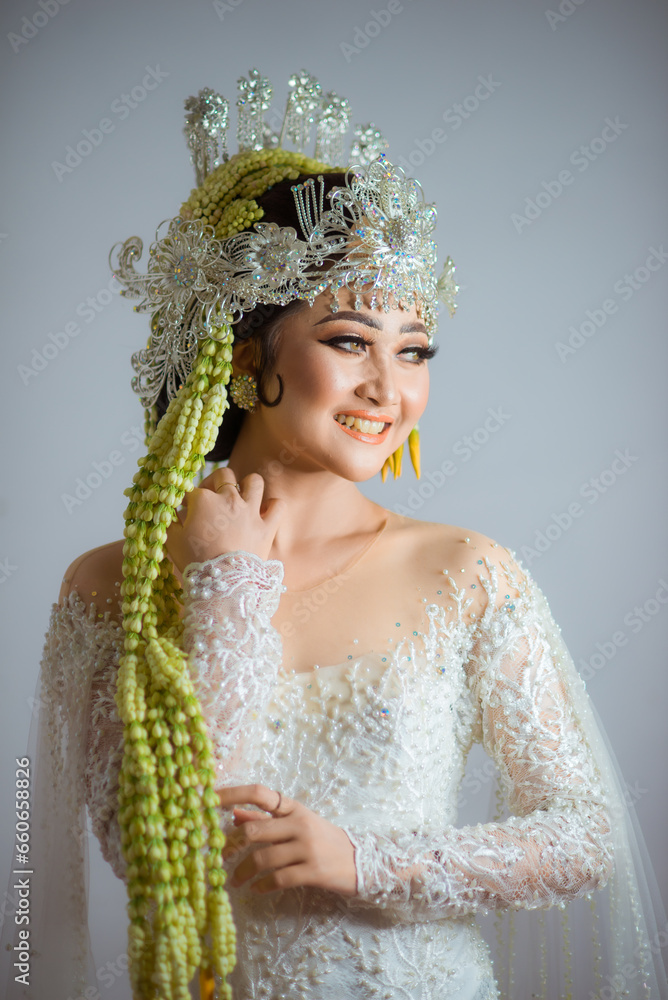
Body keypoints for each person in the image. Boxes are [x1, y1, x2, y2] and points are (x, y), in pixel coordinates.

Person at [1, 70, 666, 1000]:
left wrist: (360, 861)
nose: (389, 390)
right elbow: (155, 846)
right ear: (243, 354)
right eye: (351, 340)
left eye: (415, 350)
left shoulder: (466, 574)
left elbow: (584, 835)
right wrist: (227, 590)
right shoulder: (110, 584)